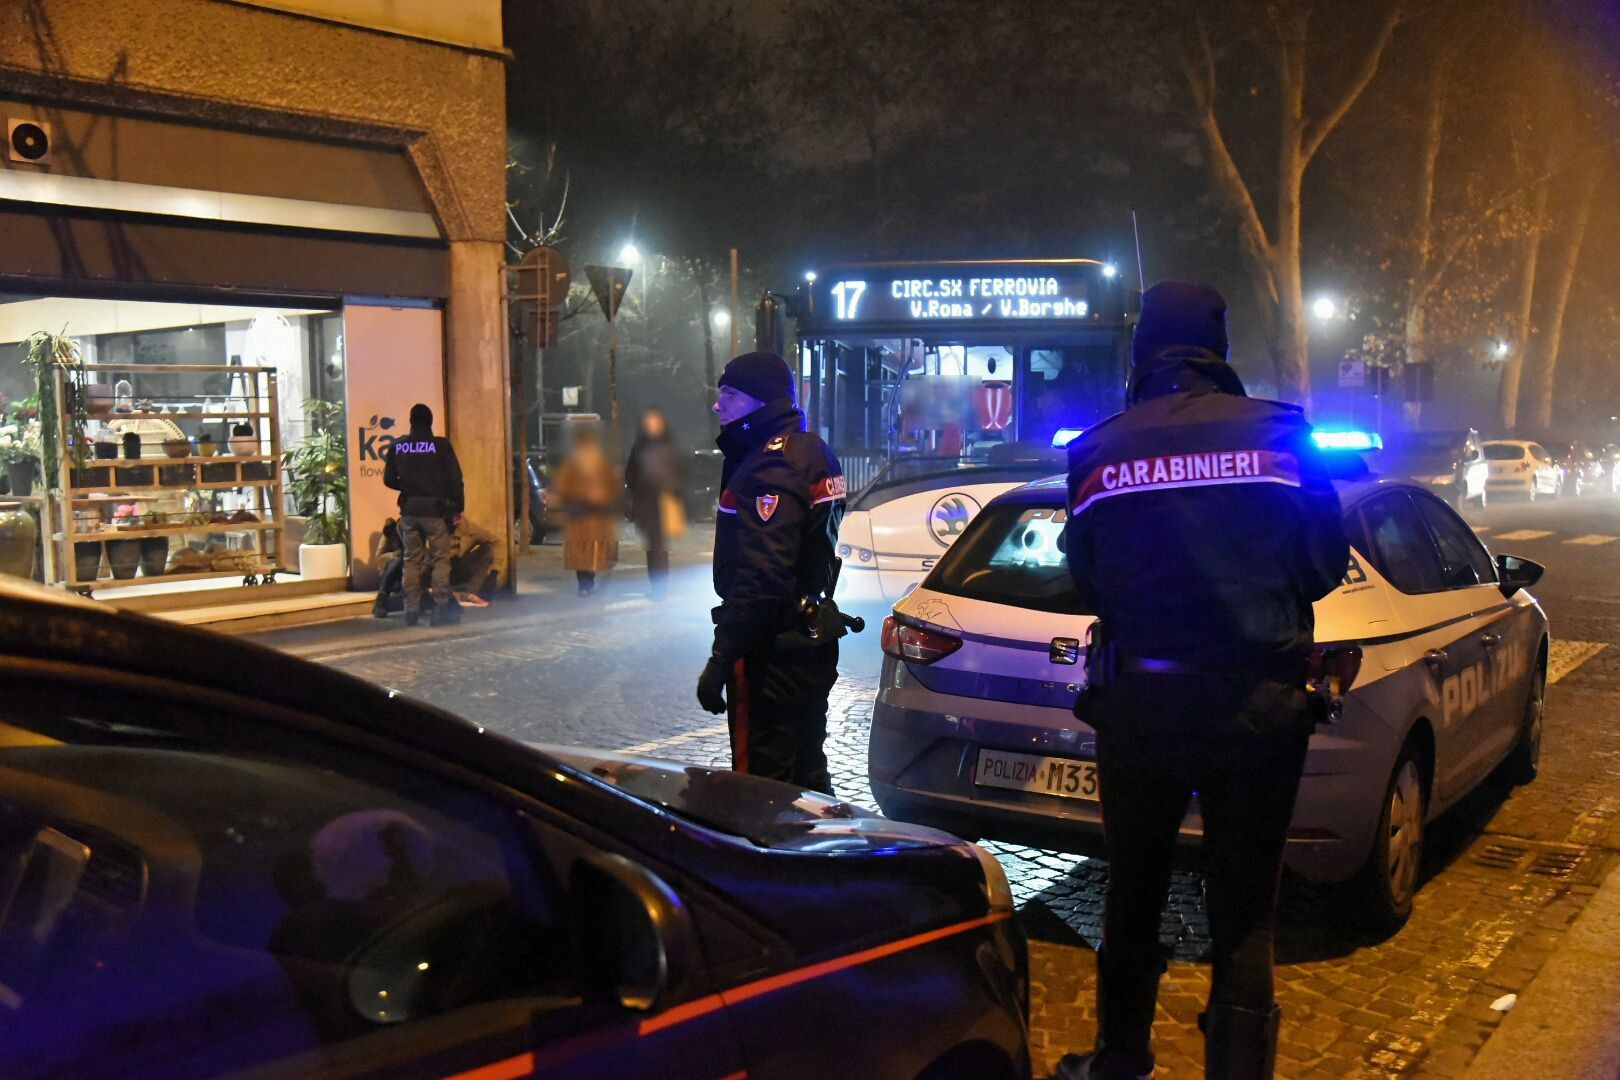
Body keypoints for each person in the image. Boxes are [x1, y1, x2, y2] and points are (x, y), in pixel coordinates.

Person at [1057, 282, 1349, 1080]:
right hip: (1259, 706)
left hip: (1140, 705)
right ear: (1220, 347)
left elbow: (1088, 582)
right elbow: (1325, 564)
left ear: (1141, 348)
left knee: (1134, 889)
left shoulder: (1097, 449)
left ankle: (1120, 1059)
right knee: (1247, 907)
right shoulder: (1285, 435)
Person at [694, 351, 849, 794]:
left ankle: (769, 864)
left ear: (761, 401)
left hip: (770, 652)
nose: (718, 405)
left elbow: (763, 579)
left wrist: (722, 658)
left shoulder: (769, 464)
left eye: (729, 394)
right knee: (809, 777)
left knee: (761, 788)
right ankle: (822, 861)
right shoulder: (813, 450)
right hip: (810, 637)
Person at [382, 403, 465, 627]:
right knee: (440, 559)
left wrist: (408, 487)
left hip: (410, 510)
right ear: (430, 422)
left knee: (411, 560)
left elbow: (388, 479)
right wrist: (458, 506)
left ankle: (411, 610)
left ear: (411, 421)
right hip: (436, 512)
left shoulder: (399, 446)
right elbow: (455, 479)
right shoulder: (441, 446)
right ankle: (439, 608)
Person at [624, 407, 685, 599]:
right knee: (653, 547)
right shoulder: (640, 447)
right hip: (647, 503)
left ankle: (660, 588)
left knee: (658, 547)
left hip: (662, 502)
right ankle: (658, 586)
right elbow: (630, 474)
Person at [554, 425, 619, 595]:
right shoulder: (572, 464)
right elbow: (563, 486)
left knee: (592, 550)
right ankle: (584, 584)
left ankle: (587, 582)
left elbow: (611, 486)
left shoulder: (601, 463)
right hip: (580, 512)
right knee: (581, 551)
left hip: (595, 515)